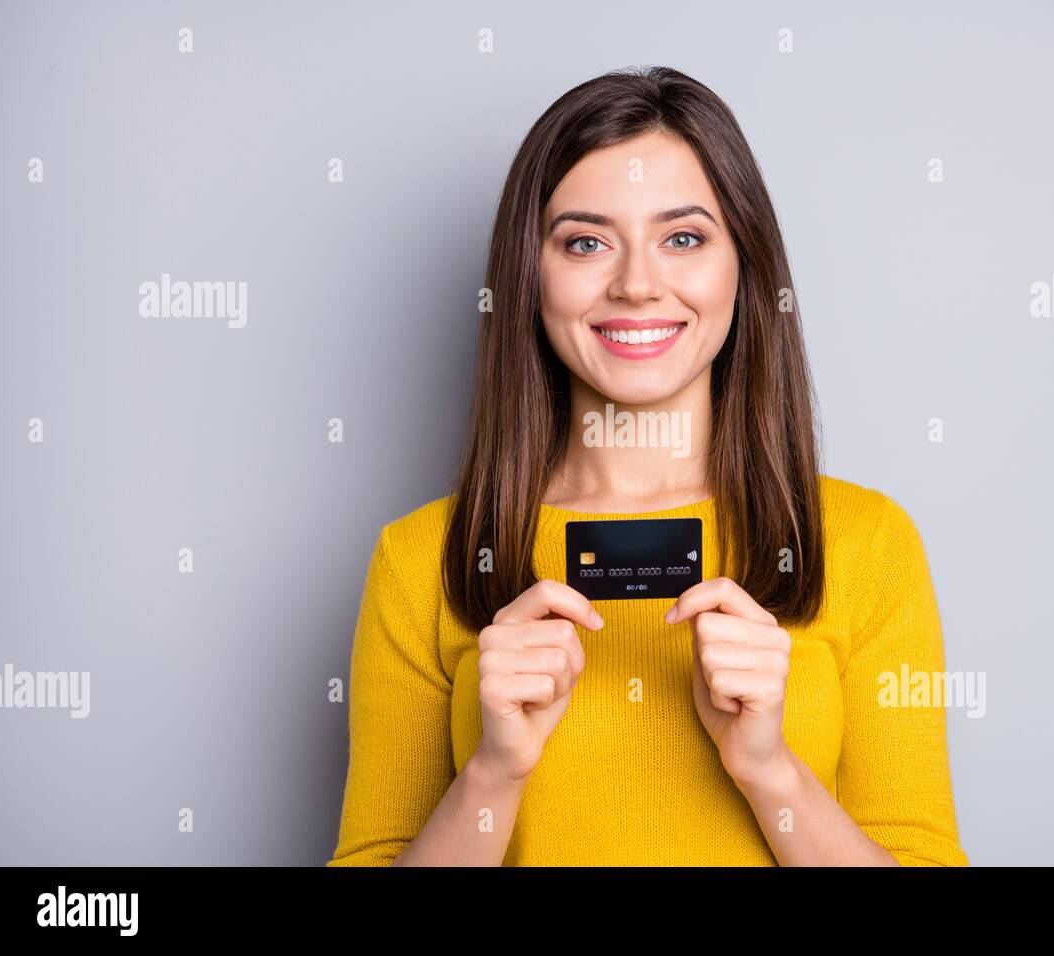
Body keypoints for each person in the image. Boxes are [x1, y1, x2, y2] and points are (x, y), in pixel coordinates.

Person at [327, 66, 967, 867]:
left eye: (683, 238)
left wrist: (770, 773)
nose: (636, 284)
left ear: (745, 265)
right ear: (530, 275)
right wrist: (493, 774)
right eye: (587, 242)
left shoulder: (867, 545)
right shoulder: (418, 562)